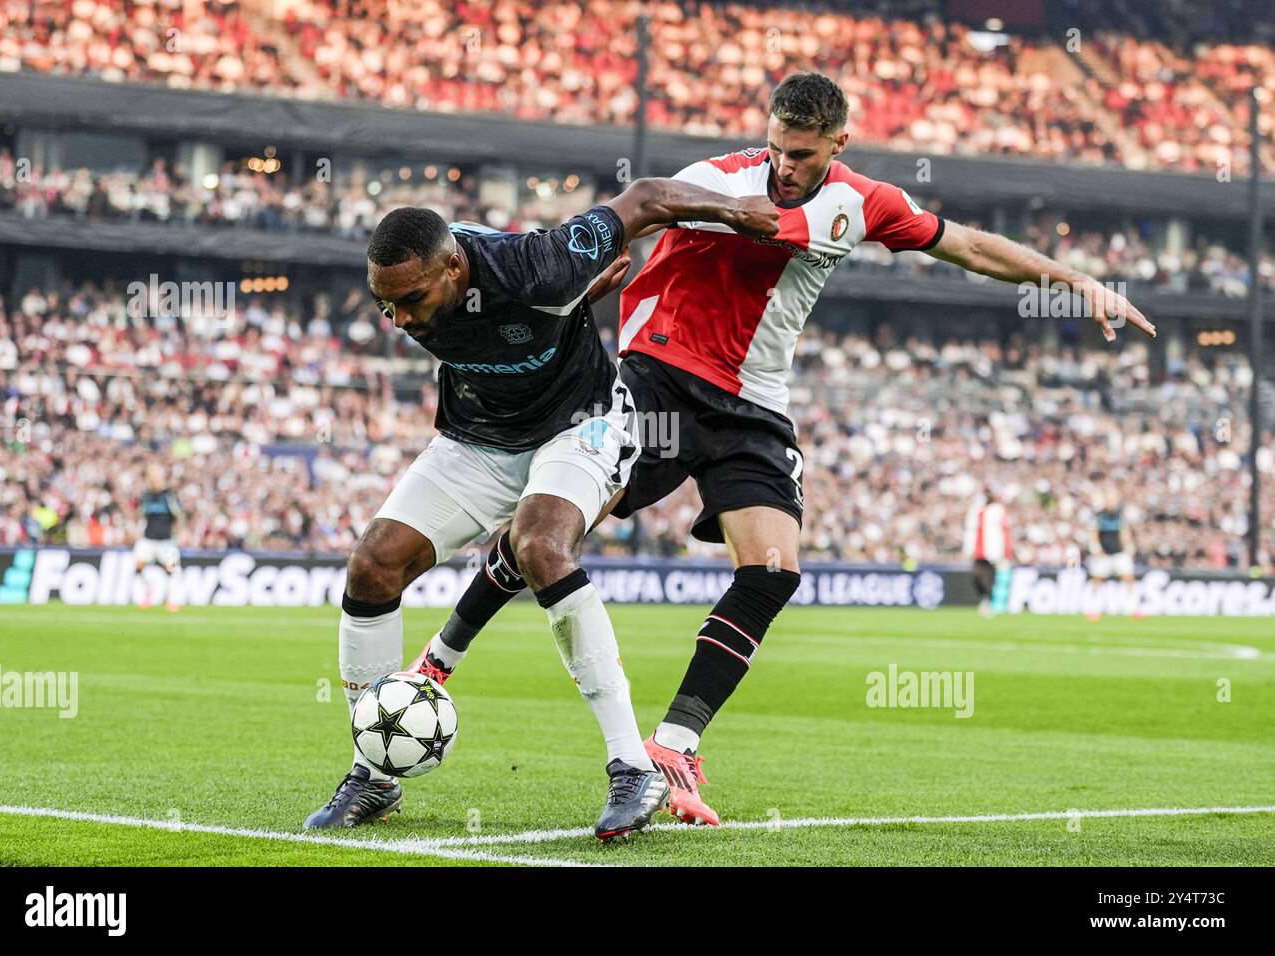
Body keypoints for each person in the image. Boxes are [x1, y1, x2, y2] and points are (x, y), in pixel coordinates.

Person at [407, 71, 1157, 827]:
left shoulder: (864, 203)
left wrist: (1074, 279)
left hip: (754, 404)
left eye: (800, 154)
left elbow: (965, 244)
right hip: (658, 378)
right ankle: (438, 660)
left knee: (773, 569)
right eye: (775, 148)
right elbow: (636, 214)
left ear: (838, 144)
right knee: (554, 530)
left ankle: (674, 745)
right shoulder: (718, 183)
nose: (784, 167)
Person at [303, 176, 780, 839]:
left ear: (453, 265)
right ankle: (373, 773)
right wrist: (579, 299)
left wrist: (735, 211)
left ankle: (631, 765)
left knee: (540, 544)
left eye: (412, 301)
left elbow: (643, 199)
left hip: (580, 425)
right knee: (372, 565)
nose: (403, 321)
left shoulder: (540, 265)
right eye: (388, 309)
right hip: (479, 437)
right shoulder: (419, 288)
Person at [133, 463, 182, 613]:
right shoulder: (146, 496)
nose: (154, 480)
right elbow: (141, 515)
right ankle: (149, 590)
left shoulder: (170, 496)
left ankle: (172, 601)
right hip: (148, 538)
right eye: (152, 476)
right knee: (139, 566)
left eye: (157, 476)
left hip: (168, 540)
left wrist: (180, 534)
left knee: (172, 570)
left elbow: (179, 516)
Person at [963, 487, 1012, 617]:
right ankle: (984, 598)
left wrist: (1005, 551)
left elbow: (1005, 531)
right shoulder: (975, 510)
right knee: (976, 576)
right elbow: (970, 530)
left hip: (994, 551)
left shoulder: (997, 510)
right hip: (978, 551)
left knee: (991, 578)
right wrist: (968, 548)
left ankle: (989, 603)